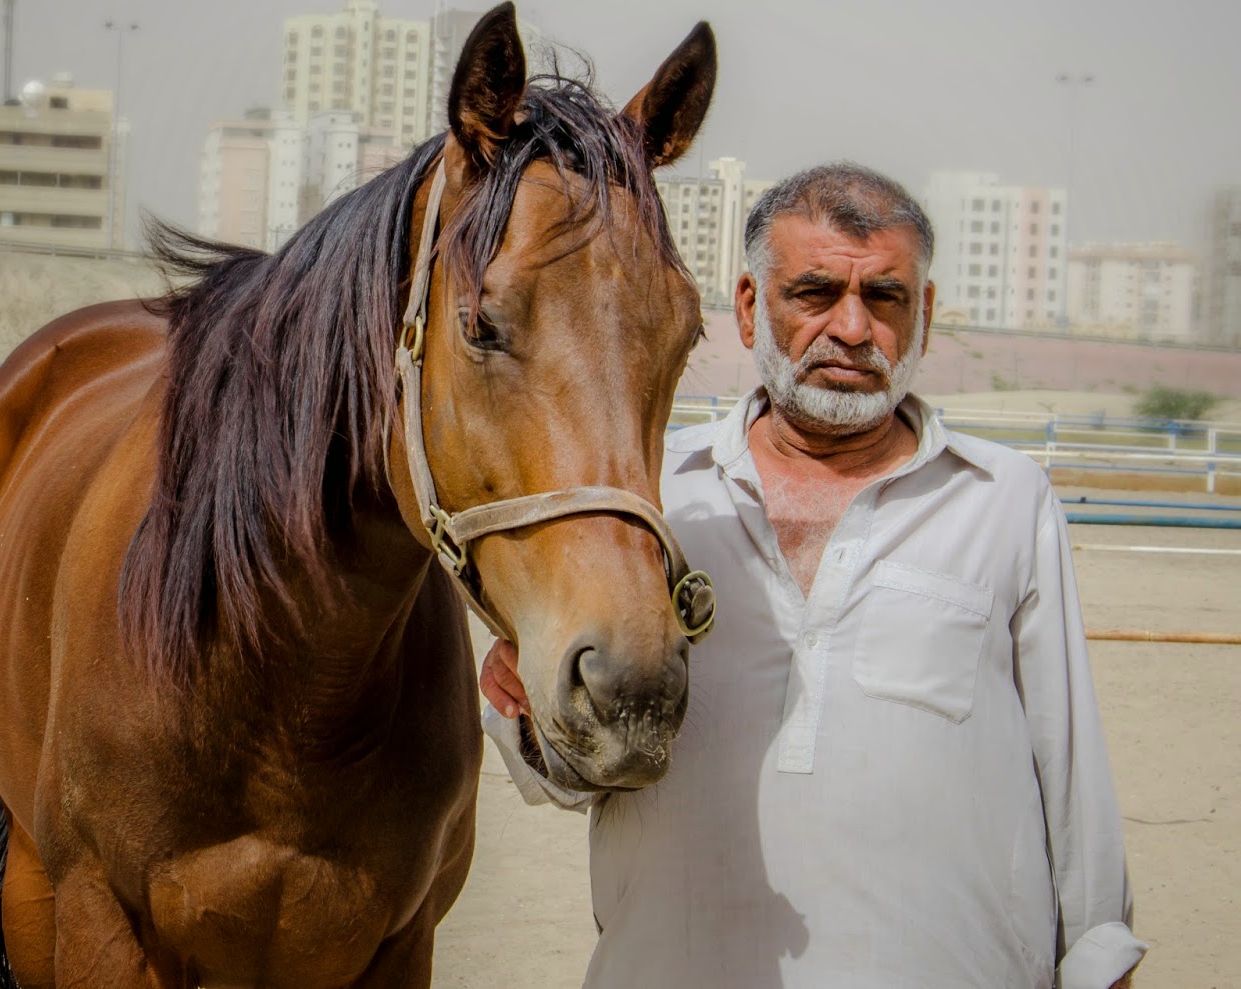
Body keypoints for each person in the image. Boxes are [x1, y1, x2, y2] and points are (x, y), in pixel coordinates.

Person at [479, 162, 1145, 989]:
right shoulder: (655, 501)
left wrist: (1098, 953)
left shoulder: (1004, 500)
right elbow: (577, 776)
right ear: (753, 305)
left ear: (925, 315)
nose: (854, 328)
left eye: (887, 298)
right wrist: (530, 714)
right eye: (817, 292)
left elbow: (1070, 764)